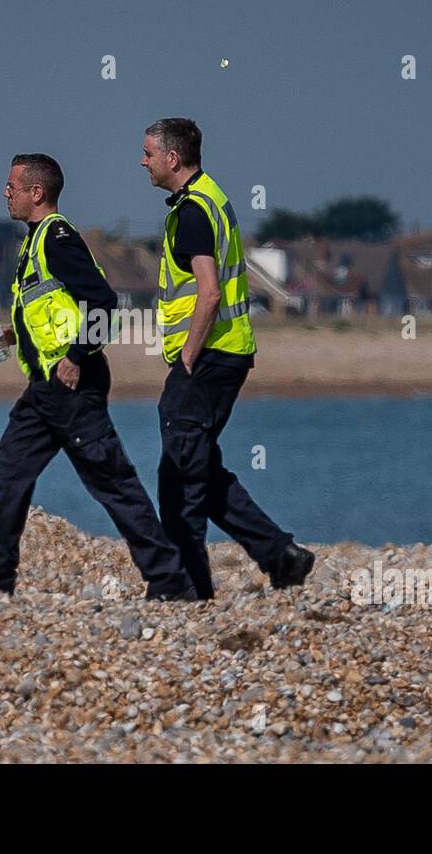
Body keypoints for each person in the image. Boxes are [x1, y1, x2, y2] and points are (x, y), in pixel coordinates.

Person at [0, 153, 196, 600]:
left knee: (113, 483)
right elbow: (55, 311)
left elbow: (103, 303)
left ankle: (171, 581)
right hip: (45, 389)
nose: (5, 193)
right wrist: (12, 336)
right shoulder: (34, 242)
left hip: (73, 386)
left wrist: (75, 356)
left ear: (37, 193)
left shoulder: (56, 238)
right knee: (10, 470)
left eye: (12, 186)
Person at [141, 118, 315, 599]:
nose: (143, 161)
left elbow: (210, 293)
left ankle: (185, 588)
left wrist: (188, 357)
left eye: (149, 152)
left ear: (172, 158)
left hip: (209, 356)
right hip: (226, 353)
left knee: (181, 473)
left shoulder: (195, 210)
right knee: (199, 466)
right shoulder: (208, 197)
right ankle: (282, 556)